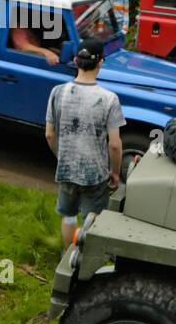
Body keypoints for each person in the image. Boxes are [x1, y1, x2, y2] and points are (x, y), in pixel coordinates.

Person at [45, 37, 124, 249]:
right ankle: (82, 260)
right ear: (100, 63)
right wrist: (115, 172)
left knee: (69, 215)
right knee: (92, 219)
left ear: (75, 60)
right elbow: (114, 145)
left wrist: (62, 158)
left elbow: (50, 135)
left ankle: (66, 256)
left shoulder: (57, 92)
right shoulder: (109, 99)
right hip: (96, 174)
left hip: (67, 168)